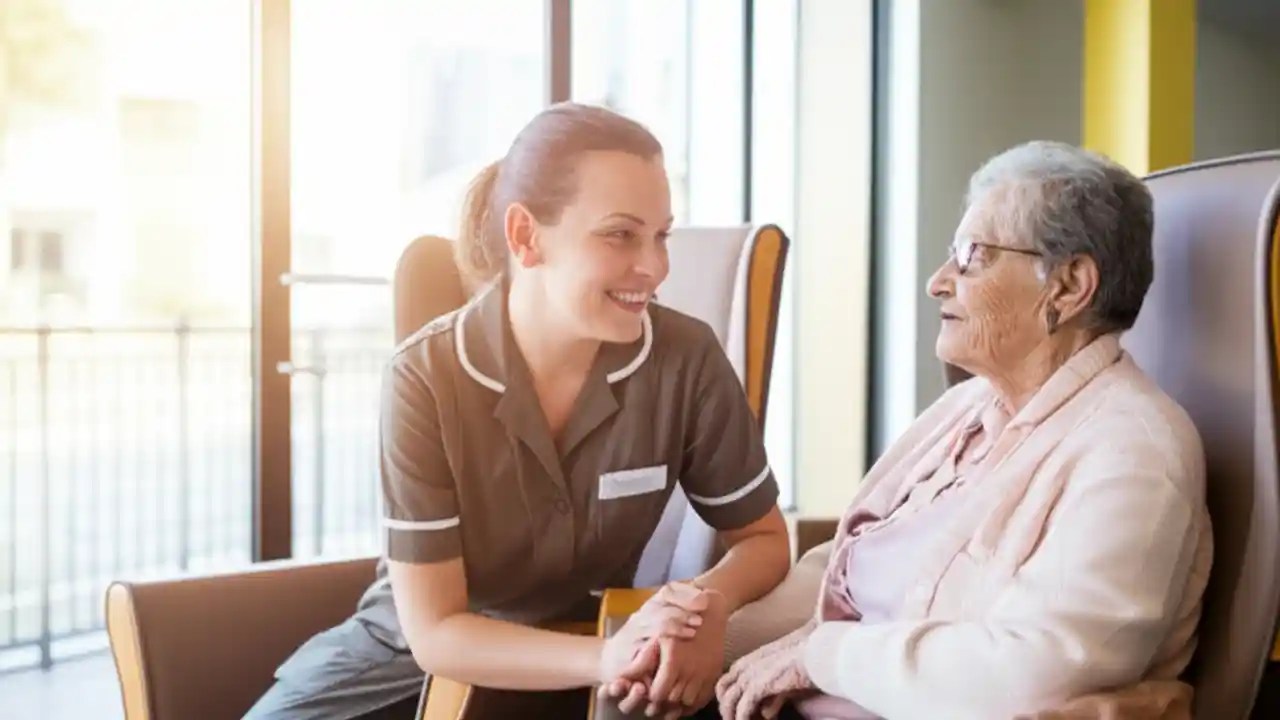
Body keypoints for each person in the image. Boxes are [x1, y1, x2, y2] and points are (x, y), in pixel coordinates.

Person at [246, 102, 791, 720]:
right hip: (409, 661)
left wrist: (703, 605)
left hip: (591, 651)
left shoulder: (685, 358)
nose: (655, 266)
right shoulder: (424, 376)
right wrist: (607, 657)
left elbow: (764, 539)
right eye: (620, 235)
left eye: (661, 235)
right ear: (527, 237)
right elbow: (436, 631)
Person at [713, 141, 1212, 720]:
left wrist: (822, 656)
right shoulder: (969, 406)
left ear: (1069, 285)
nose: (938, 281)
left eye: (974, 255)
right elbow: (846, 575)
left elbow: (1037, 672)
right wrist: (709, 634)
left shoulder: (1134, 452)